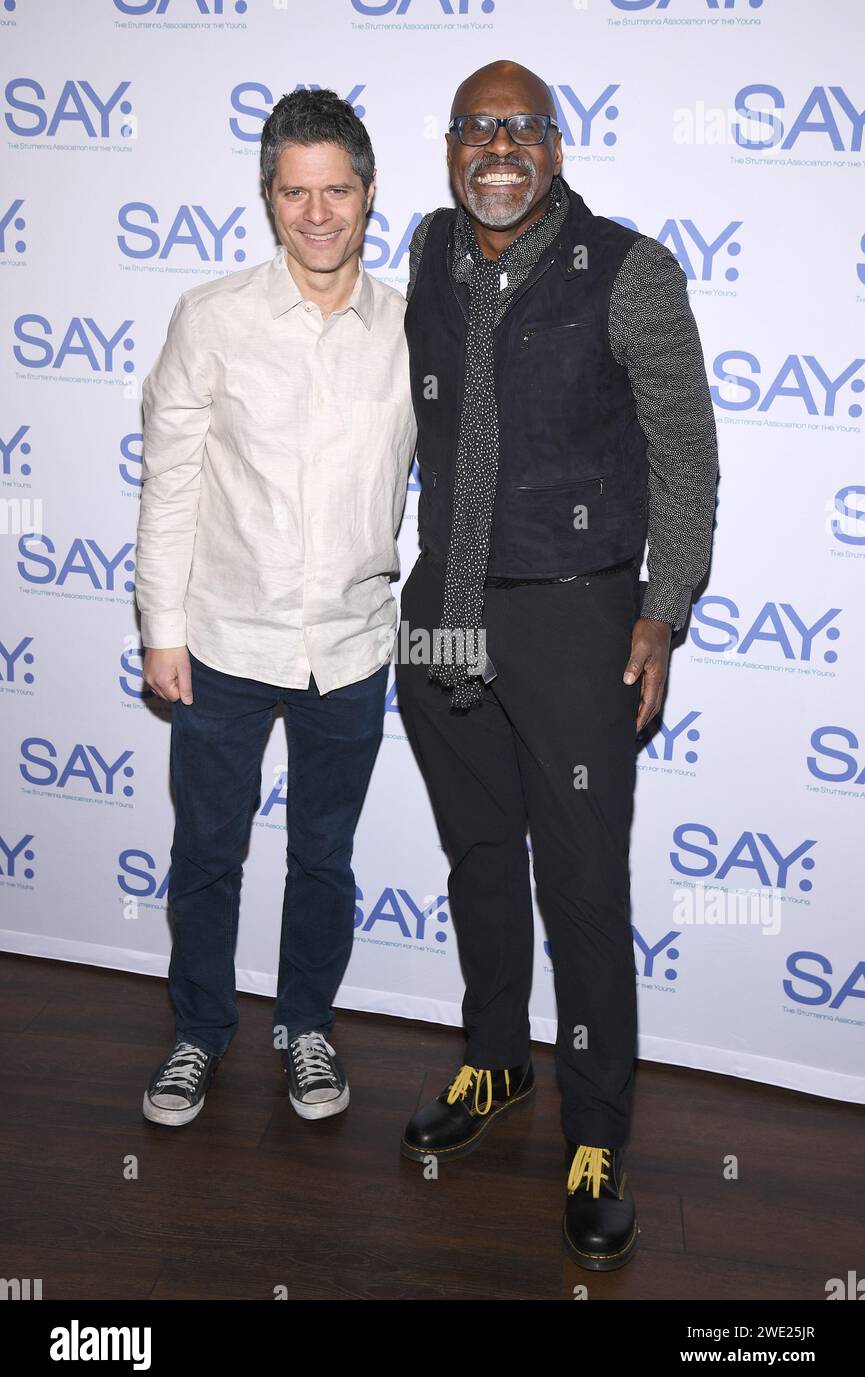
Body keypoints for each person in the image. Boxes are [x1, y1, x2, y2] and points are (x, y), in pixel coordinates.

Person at [395, 60, 719, 1270]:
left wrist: (662, 609)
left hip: (578, 617)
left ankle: (596, 1131)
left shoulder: (631, 272)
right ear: (448, 148)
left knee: (581, 880)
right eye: (476, 127)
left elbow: (685, 449)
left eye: (520, 128)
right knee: (479, 853)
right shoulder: (429, 247)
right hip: (439, 608)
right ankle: (494, 1060)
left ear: (556, 147)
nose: (497, 147)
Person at [134, 89, 416, 1128]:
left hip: (351, 645)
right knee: (208, 851)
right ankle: (199, 1034)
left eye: (335, 189)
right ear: (268, 198)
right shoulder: (211, 319)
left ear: (368, 193)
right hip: (221, 641)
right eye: (295, 192)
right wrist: (161, 627)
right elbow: (168, 482)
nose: (316, 212)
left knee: (322, 855)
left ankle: (306, 1028)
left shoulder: (410, 328)